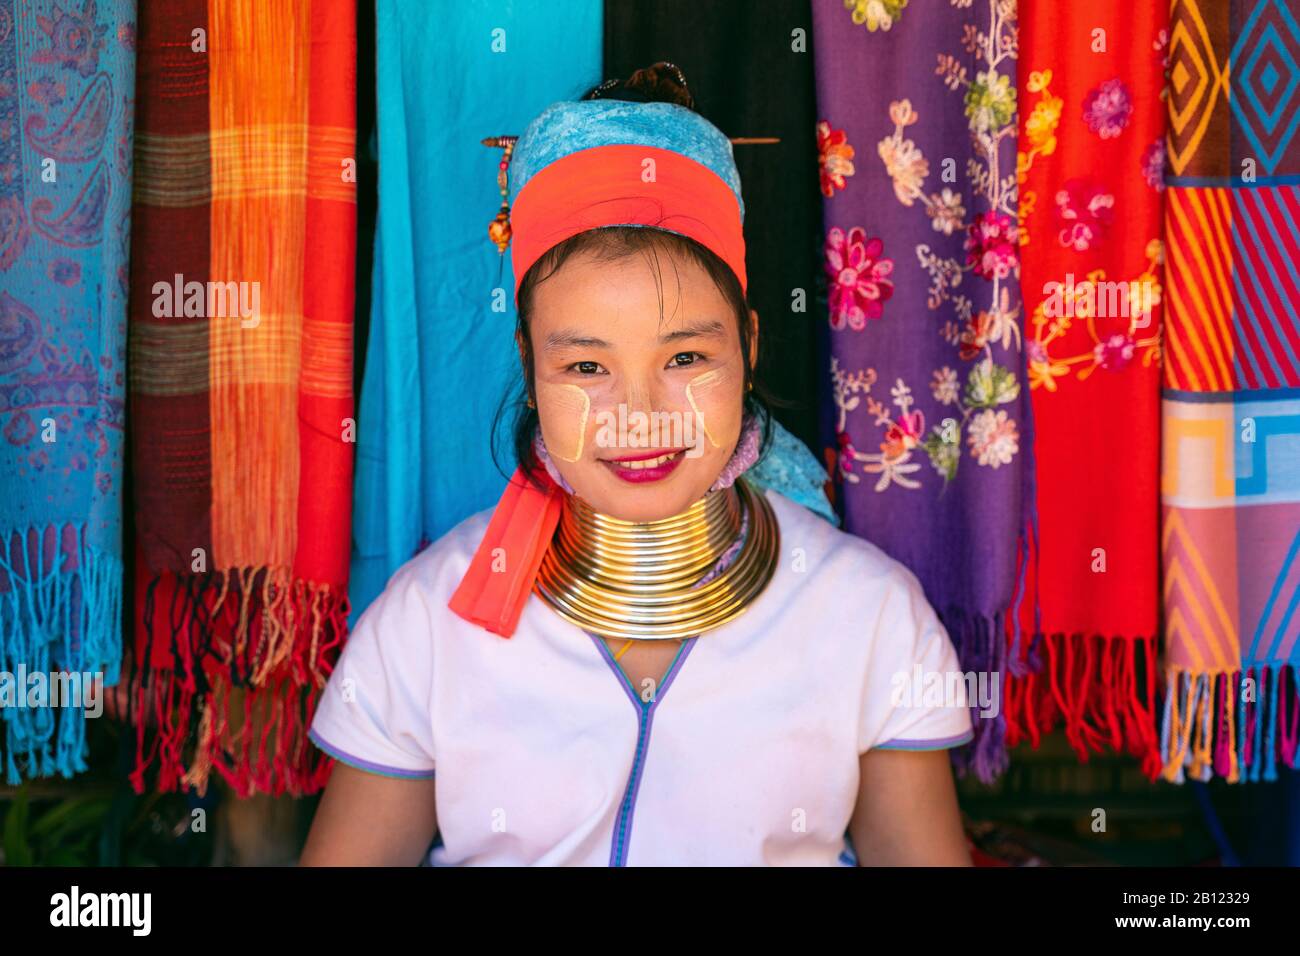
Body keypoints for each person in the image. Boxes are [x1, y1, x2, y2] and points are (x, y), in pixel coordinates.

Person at [300, 64, 973, 867]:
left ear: (750, 346)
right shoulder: (426, 626)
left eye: (685, 355)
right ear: (528, 365)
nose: (639, 413)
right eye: (586, 368)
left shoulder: (868, 618)